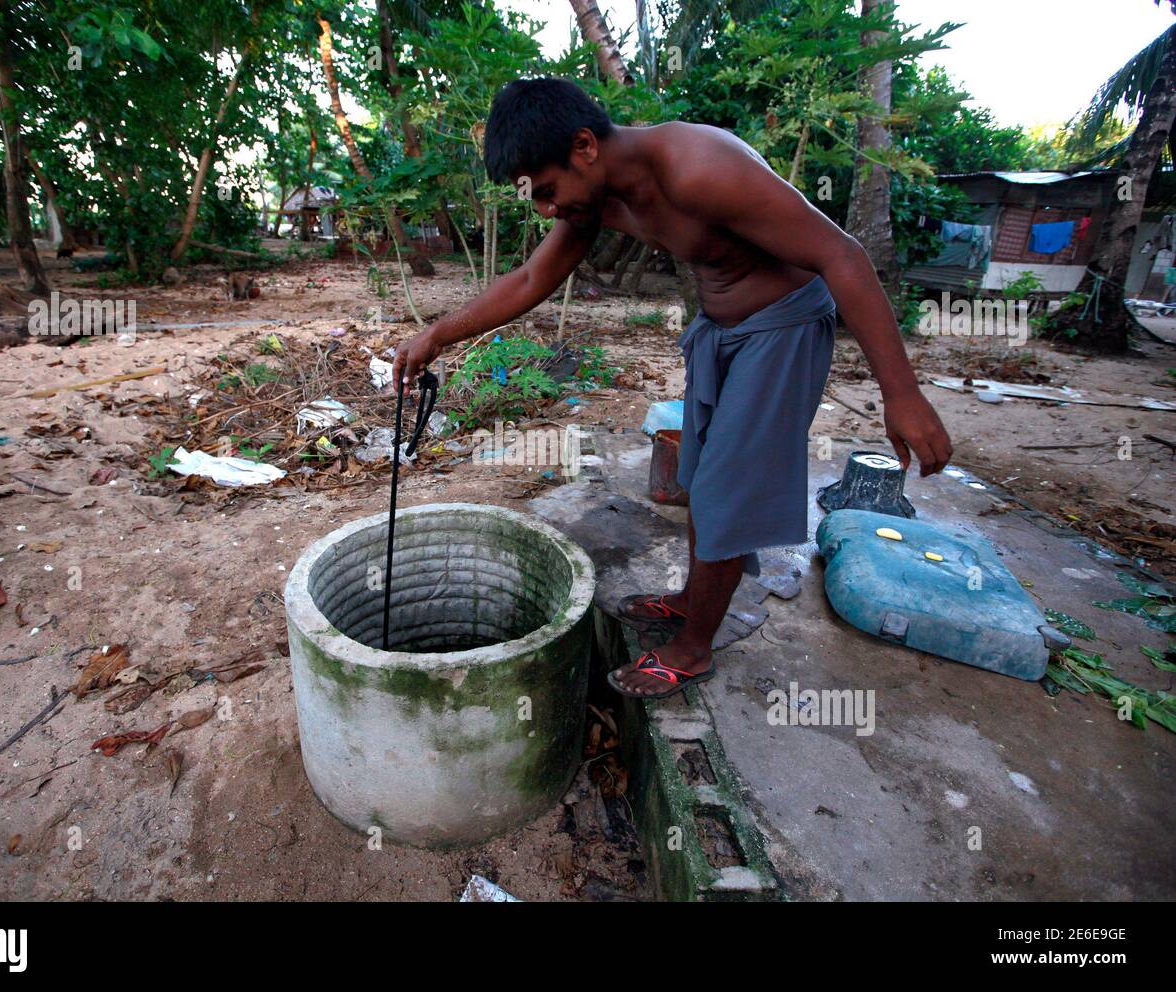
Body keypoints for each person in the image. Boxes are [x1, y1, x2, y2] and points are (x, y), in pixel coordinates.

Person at [392, 78, 953, 699]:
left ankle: (692, 650)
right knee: (700, 476)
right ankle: (692, 600)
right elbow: (531, 278)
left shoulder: (697, 167)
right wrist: (437, 336)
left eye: (546, 191)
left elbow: (842, 255)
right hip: (721, 330)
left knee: (723, 490)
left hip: (784, 327)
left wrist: (901, 395)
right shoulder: (595, 199)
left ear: (584, 146)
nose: (544, 209)